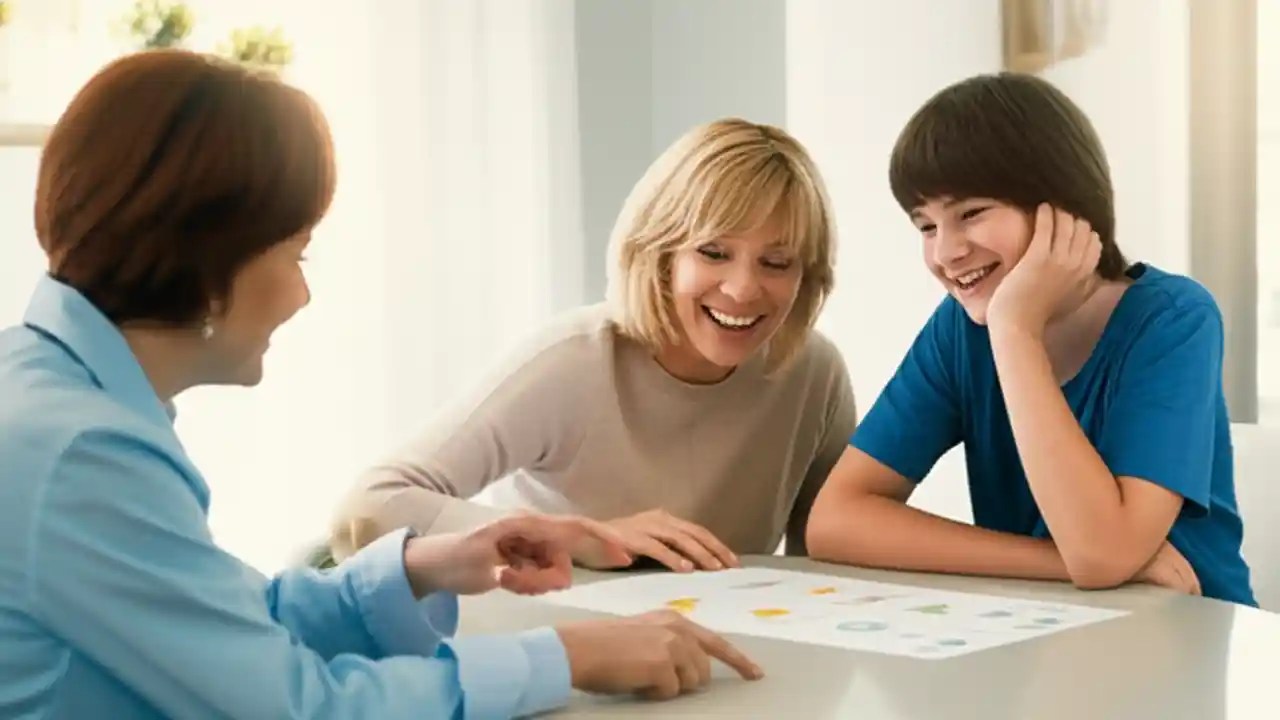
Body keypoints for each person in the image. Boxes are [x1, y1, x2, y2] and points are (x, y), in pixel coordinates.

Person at [0, 50, 763, 720]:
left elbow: (230, 622)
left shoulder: (52, 393)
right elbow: (294, 705)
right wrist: (566, 656)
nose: (303, 295)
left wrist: (426, 565)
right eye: (298, 253)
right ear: (208, 264)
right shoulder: (79, 454)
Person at [805, 72, 1256, 606]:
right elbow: (834, 522)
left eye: (970, 213)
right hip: (1048, 632)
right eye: (926, 226)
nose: (945, 253)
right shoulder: (959, 332)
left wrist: (1016, 330)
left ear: (1063, 208)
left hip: (1188, 636)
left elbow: (1103, 552)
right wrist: (1049, 562)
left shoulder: (1174, 320)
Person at [329, 118, 856, 572]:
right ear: (661, 253)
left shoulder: (814, 373)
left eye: (777, 262)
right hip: (552, 649)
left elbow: (828, 554)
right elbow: (370, 506)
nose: (743, 289)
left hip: (719, 652)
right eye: (714, 252)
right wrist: (575, 537)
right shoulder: (573, 363)